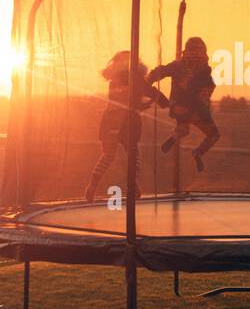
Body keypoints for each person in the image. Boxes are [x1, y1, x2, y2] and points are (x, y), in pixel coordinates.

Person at [84, 51, 168, 201]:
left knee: (108, 155)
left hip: (111, 120)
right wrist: (160, 100)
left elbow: (126, 101)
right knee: (133, 154)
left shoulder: (114, 81)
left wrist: (147, 102)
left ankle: (93, 184)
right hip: (128, 122)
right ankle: (133, 184)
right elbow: (143, 95)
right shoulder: (134, 77)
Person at [149, 36, 220, 171]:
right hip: (195, 109)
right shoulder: (198, 68)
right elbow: (210, 86)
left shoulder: (185, 67)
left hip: (181, 108)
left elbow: (160, 71)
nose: (196, 55)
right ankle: (198, 151)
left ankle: (176, 135)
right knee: (213, 135)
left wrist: (148, 80)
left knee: (183, 127)